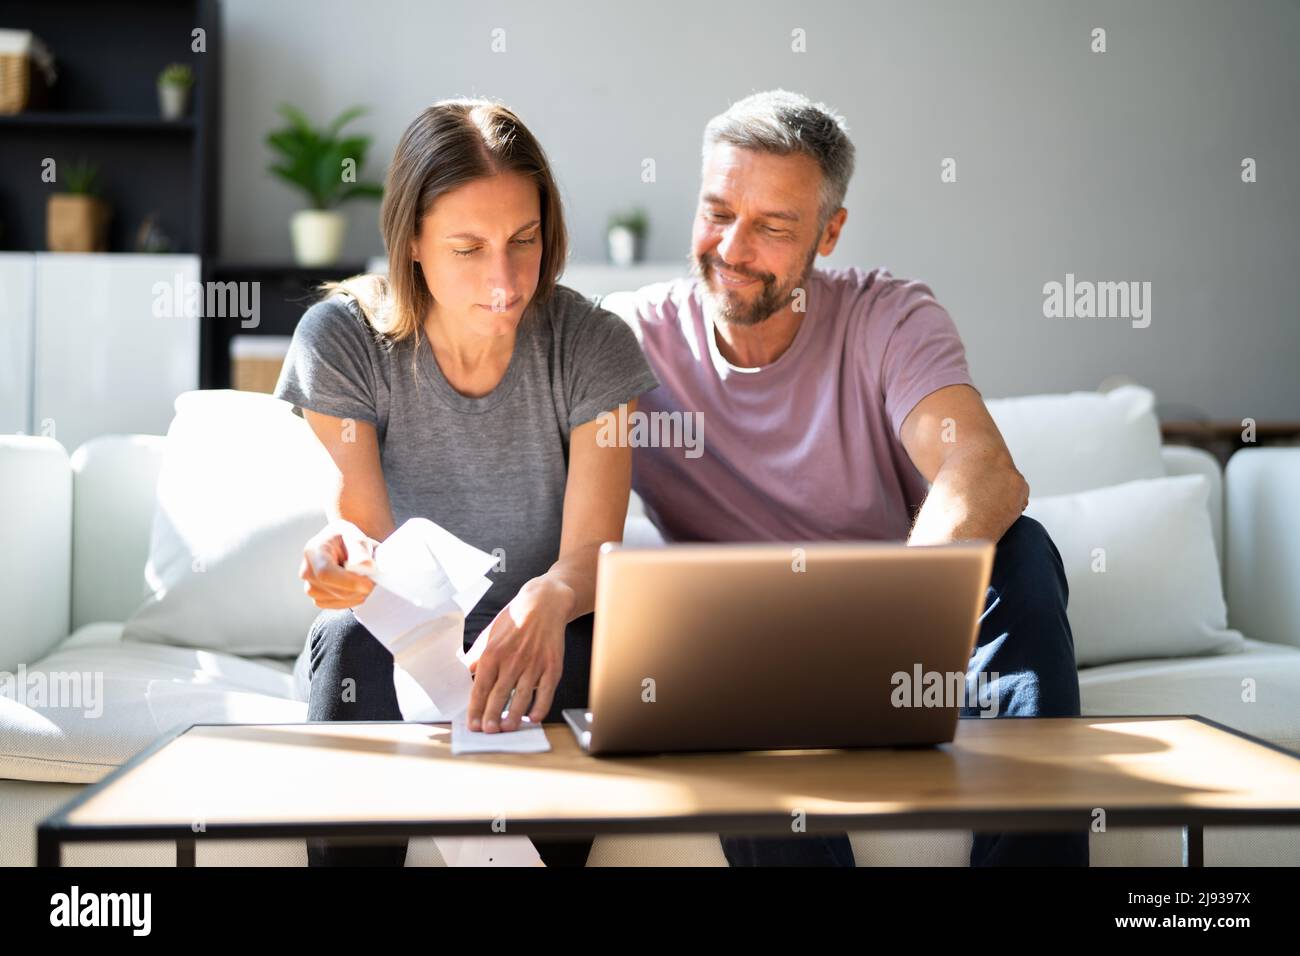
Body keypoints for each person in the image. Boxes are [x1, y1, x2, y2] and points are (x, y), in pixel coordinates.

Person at [606, 90, 1089, 867]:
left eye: (772, 226)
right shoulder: (630, 340)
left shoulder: (889, 317)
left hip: (907, 656)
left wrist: (896, 622)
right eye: (718, 210)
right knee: (717, 668)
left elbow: (983, 472)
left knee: (1022, 553)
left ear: (830, 233)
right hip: (749, 664)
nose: (732, 247)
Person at [274, 98, 659, 867]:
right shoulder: (343, 339)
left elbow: (591, 555)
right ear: (411, 241)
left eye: (524, 240)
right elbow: (369, 546)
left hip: (548, 629)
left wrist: (549, 597)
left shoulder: (594, 344)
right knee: (349, 641)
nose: (506, 281)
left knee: (588, 645)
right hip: (399, 631)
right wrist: (341, 562)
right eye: (469, 248)